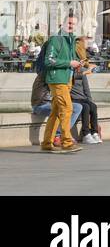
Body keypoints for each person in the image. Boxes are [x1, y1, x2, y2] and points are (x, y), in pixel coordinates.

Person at [38, 14, 84, 153]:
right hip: (57, 79)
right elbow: (49, 60)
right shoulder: (56, 39)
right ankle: (67, 142)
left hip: (65, 79)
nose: (71, 26)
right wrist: (69, 63)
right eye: (69, 23)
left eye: (74, 24)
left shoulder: (70, 40)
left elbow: (67, 58)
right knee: (67, 108)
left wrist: (76, 63)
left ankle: (47, 142)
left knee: (56, 112)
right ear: (63, 23)